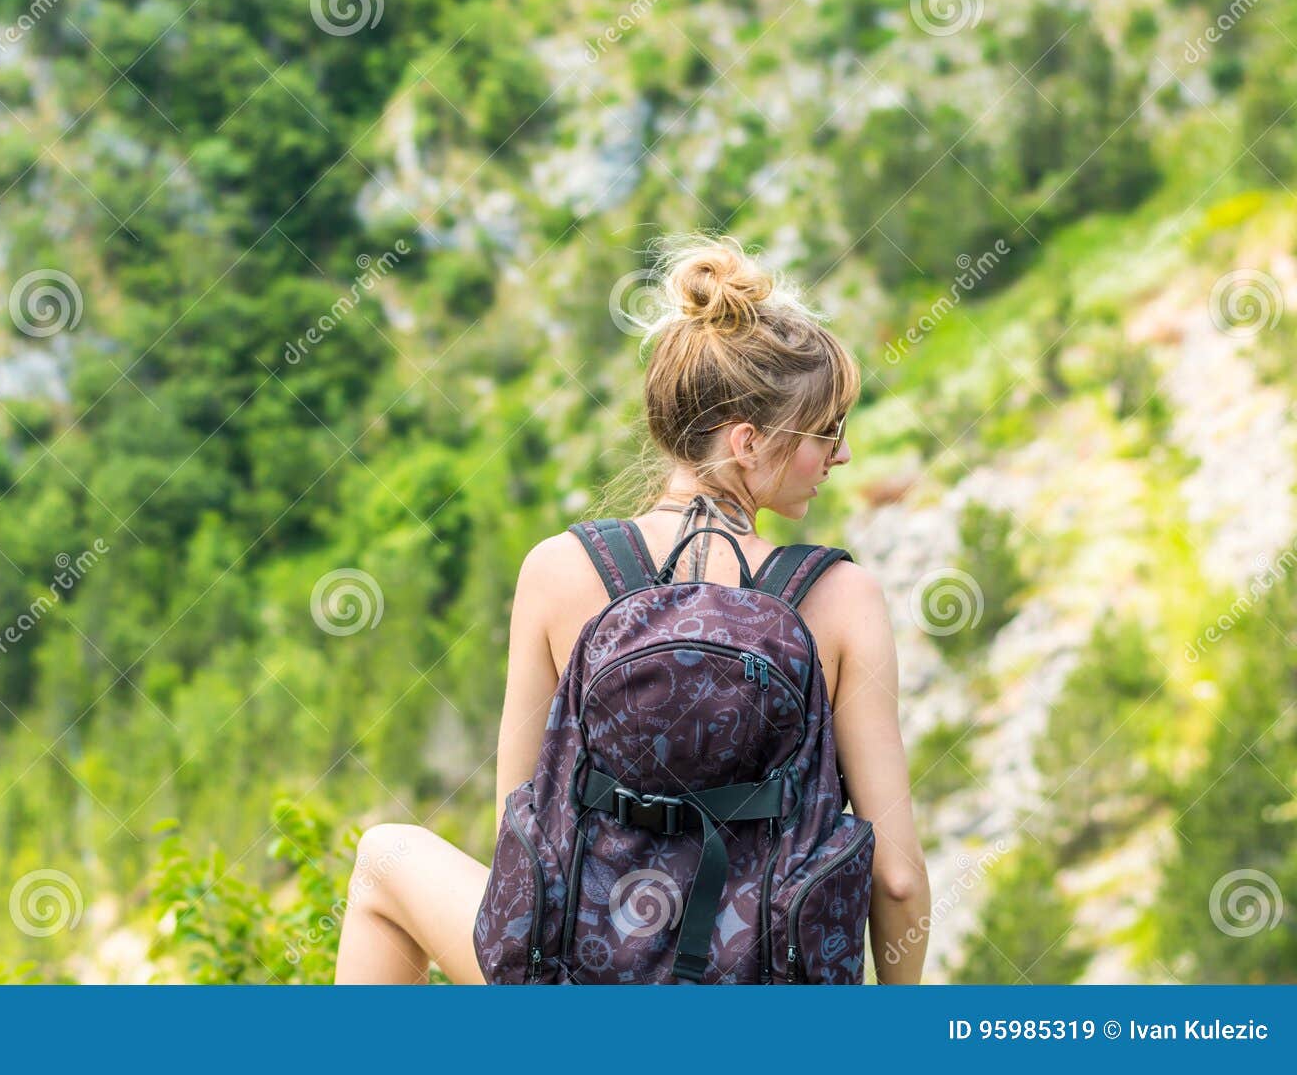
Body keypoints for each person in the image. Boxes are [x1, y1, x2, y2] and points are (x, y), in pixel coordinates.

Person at [334, 232, 931, 984]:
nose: (839, 457)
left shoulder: (557, 571)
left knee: (383, 856)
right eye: (826, 433)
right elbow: (898, 879)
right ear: (748, 442)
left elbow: (523, 836)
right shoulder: (844, 598)